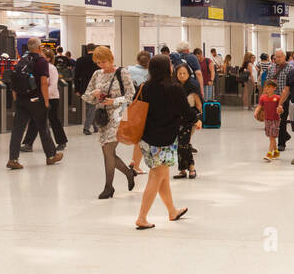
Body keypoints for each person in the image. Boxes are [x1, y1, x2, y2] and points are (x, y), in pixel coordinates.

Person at [133, 54, 195, 229]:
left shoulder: (145, 87)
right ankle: (142, 217)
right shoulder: (174, 88)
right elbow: (186, 112)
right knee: (156, 176)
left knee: (163, 177)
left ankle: (172, 211)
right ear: (167, 68)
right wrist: (195, 119)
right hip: (164, 140)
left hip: (146, 140)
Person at [79, 46, 135, 198]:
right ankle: (129, 173)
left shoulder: (122, 72)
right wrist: (94, 94)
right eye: (98, 62)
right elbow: (86, 96)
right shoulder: (97, 74)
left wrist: (114, 100)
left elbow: (131, 95)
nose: (101, 65)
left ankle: (108, 187)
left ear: (111, 59)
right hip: (102, 116)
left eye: (104, 62)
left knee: (108, 149)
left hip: (119, 113)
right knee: (107, 150)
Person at [7, 38, 63, 170]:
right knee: (43, 128)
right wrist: (46, 101)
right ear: (39, 48)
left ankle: (13, 159)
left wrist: (16, 98)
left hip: (21, 99)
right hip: (36, 100)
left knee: (17, 130)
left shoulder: (22, 60)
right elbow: (44, 82)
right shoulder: (41, 61)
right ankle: (51, 156)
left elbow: (14, 80)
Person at [21, 46, 69, 153]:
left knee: (53, 119)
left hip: (52, 98)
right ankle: (28, 143)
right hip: (41, 97)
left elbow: (53, 85)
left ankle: (61, 141)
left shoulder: (52, 68)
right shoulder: (38, 68)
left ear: (48, 58)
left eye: (43, 56)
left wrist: (45, 96)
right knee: (34, 120)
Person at [173, 61, 203, 180]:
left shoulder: (193, 85)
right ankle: (182, 170)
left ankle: (191, 167)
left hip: (190, 118)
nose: (181, 75)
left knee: (184, 143)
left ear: (188, 73)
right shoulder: (174, 85)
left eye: (184, 73)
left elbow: (199, 105)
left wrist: (199, 119)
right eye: (179, 73)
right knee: (179, 144)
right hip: (176, 119)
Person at [72, 45, 98, 135]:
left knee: (92, 107)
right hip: (95, 87)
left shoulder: (80, 60)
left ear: (87, 50)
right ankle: (86, 128)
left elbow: (76, 76)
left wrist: (77, 89)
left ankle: (95, 126)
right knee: (92, 107)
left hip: (84, 87)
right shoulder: (97, 60)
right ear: (95, 49)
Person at [270, 49, 293, 150]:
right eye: (276, 57)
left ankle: (281, 144)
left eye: (280, 57)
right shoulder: (271, 68)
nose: (278, 59)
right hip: (273, 98)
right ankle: (286, 135)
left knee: (282, 120)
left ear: (284, 57)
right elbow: (268, 83)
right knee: (274, 120)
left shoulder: (290, 68)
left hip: (285, 98)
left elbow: (292, 84)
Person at [255, 79, 282, 160]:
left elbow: (281, 108)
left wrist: (280, 109)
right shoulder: (263, 98)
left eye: (269, 87)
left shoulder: (277, 98)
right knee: (271, 137)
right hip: (267, 120)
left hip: (275, 120)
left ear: (274, 88)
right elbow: (259, 106)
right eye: (266, 87)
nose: (267, 89)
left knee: (272, 137)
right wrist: (256, 113)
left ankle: (269, 153)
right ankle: (276, 152)